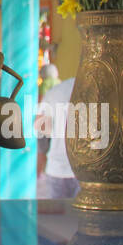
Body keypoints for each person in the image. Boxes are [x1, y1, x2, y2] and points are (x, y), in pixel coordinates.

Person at [36, 64, 79, 200]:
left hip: (57, 166)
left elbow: (41, 130)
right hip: (90, 172)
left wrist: (40, 162)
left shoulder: (54, 92)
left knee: (58, 216)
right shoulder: (100, 91)